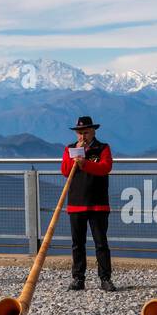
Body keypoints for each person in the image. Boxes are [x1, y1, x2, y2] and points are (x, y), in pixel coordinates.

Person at [61, 114, 115, 292]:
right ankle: (78, 278)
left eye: (85, 132)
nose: (82, 136)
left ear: (93, 131)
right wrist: (75, 156)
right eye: (79, 133)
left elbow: (105, 168)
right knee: (78, 243)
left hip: (98, 203)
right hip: (76, 202)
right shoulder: (70, 149)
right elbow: (65, 171)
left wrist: (85, 164)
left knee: (101, 243)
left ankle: (105, 278)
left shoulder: (102, 148)